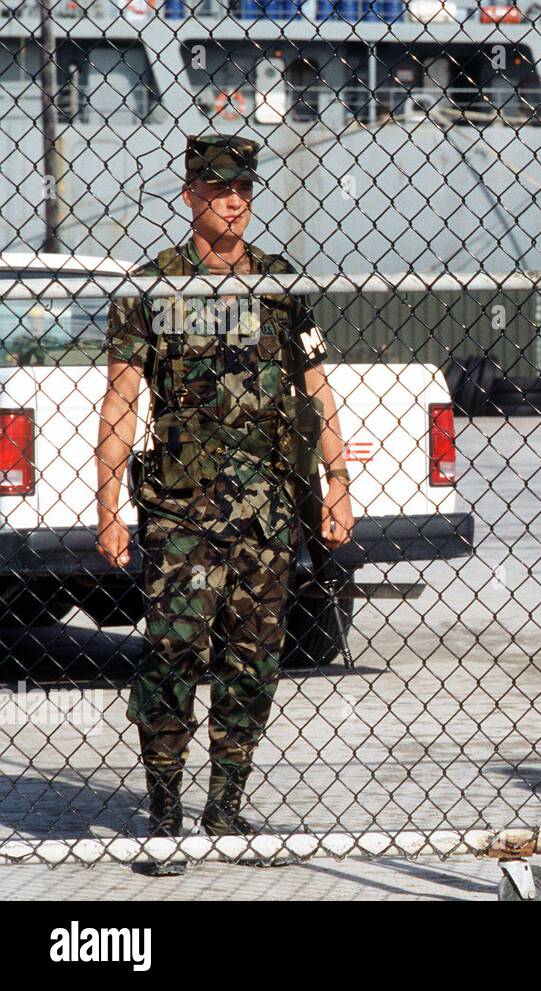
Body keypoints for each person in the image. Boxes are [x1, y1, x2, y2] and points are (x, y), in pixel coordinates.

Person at [95, 134, 355, 875]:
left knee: (252, 660)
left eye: (242, 188)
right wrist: (108, 508)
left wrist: (338, 484)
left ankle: (227, 803)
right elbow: (121, 399)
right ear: (190, 197)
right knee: (172, 652)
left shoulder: (281, 286)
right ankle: (165, 809)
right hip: (180, 510)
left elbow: (316, 391)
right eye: (217, 189)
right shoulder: (152, 286)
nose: (233, 200)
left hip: (266, 511)